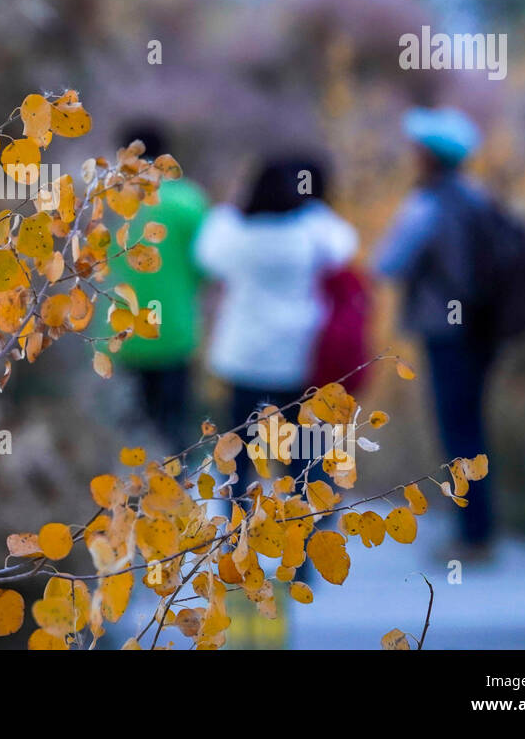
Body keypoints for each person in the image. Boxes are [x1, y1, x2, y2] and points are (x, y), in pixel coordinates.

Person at [373, 106, 503, 558]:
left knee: (456, 430)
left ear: (429, 156)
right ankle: (479, 528)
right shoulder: (479, 197)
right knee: (472, 426)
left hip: (445, 331)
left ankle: (472, 537)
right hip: (485, 328)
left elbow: (388, 264)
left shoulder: (426, 204)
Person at [193, 155, 359, 492]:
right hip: (298, 356)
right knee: (304, 450)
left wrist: (231, 206)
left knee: (239, 448)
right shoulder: (310, 232)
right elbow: (345, 243)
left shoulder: (237, 235)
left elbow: (205, 255)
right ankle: (307, 523)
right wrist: (315, 208)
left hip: (244, 357)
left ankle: (235, 525)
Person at [105, 123, 210, 457]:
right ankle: (173, 499)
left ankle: (122, 501)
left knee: (122, 431)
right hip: (173, 332)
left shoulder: (105, 199)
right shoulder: (190, 201)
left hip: (116, 333)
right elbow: (207, 267)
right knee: (173, 429)